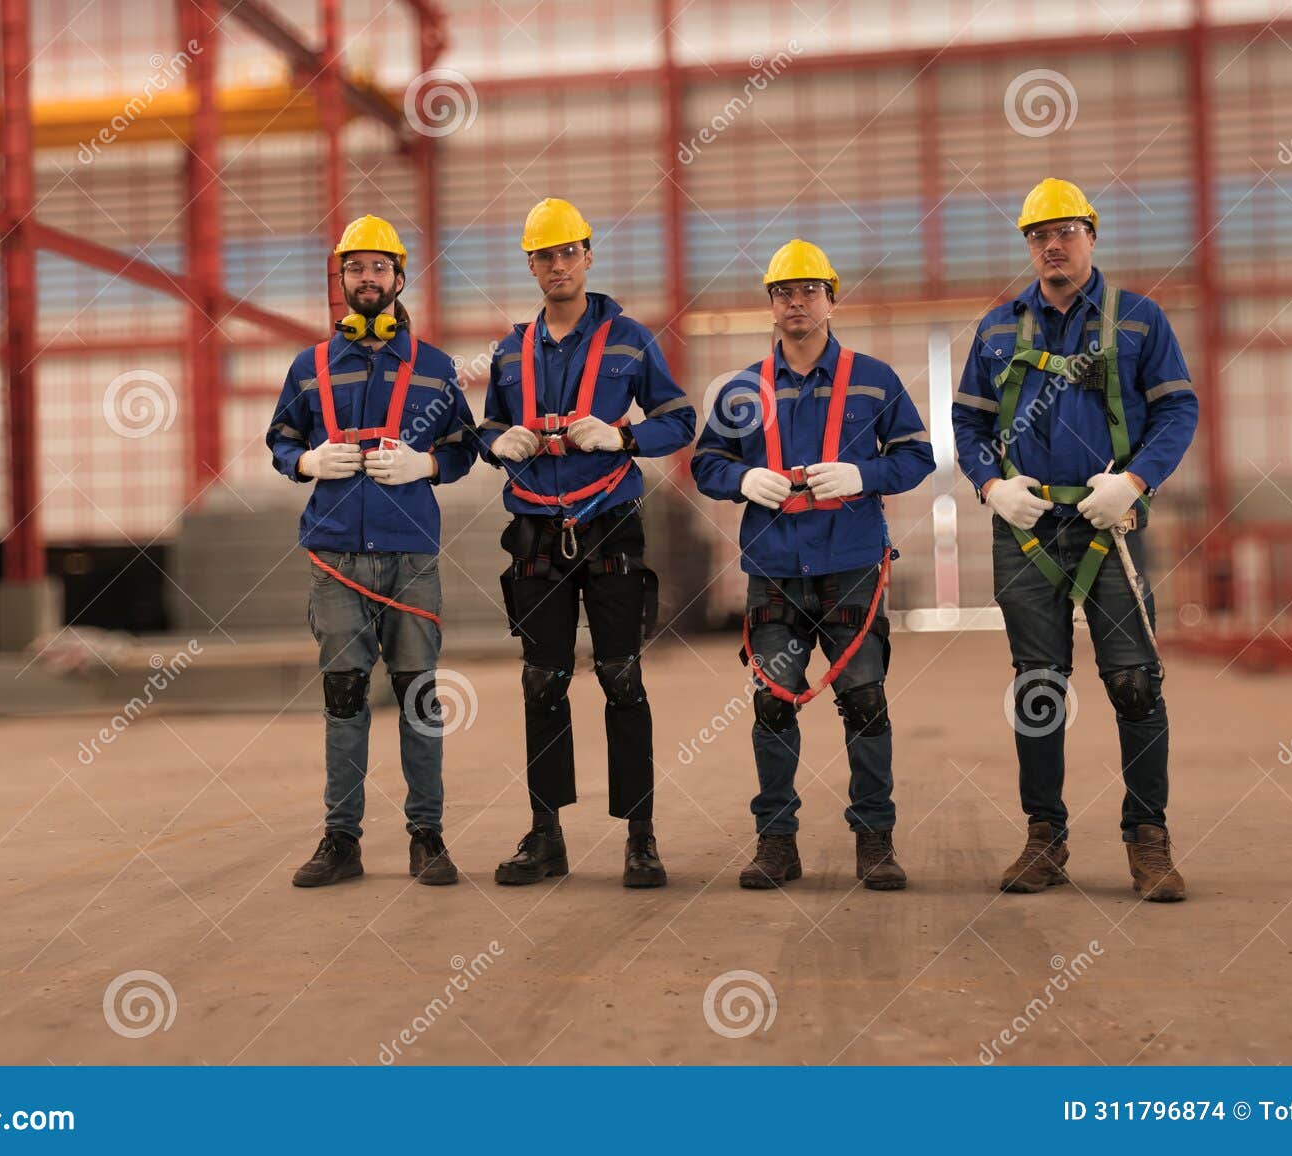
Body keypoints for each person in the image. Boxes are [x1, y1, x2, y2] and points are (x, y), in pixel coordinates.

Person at [951, 178, 1198, 902]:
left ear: (1092, 235)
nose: (1051, 246)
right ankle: (1044, 839)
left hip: (1109, 523)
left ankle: (1148, 842)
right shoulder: (998, 330)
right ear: (1028, 246)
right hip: (1027, 528)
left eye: (1065, 232)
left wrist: (1138, 480)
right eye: (1038, 236)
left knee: (1133, 681)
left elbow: (1176, 412)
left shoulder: (1140, 321)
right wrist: (992, 487)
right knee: (1038, 688)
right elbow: (968, 425)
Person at [692, 239, 933, 890]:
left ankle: (875, 841)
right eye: (782, 292)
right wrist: (742, 479)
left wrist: (864, 472)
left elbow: (917, 457)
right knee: (773, 702)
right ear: (769, 303)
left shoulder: (875, 380)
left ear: (831, 296)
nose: (795, 302)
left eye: (807, 291)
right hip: (774, 566)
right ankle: (777, 843)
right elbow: (706, 464)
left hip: (851, 560)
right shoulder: (742, 391)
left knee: (864, 699)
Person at [478, 197, 697, 888]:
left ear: (588, 255)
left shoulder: (630, 338)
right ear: (531, 264)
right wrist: (495, 441)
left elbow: (680, 417)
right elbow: (487, 427)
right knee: (541, 681)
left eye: (568, 251)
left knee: (620, 677)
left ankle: (641, 836)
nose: (557, 265)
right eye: (543, 254)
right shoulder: (510, 349)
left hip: (609, 523)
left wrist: (625, 437)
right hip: (536, 530)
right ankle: (547, 836)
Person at [266, 214, 478, 888]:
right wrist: (305, 462)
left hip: (408, 557)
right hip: (336, 558)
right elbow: (279, 439)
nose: (366, 278)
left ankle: (427, 837)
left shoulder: (437, 370)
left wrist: (428, 466)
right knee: (343, 697)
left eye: (377, 267)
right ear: (343, 280)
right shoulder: (309, 369)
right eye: (354, 268)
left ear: (398, 278)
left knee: (419, 697)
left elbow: (465, 446)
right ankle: (341, 839)